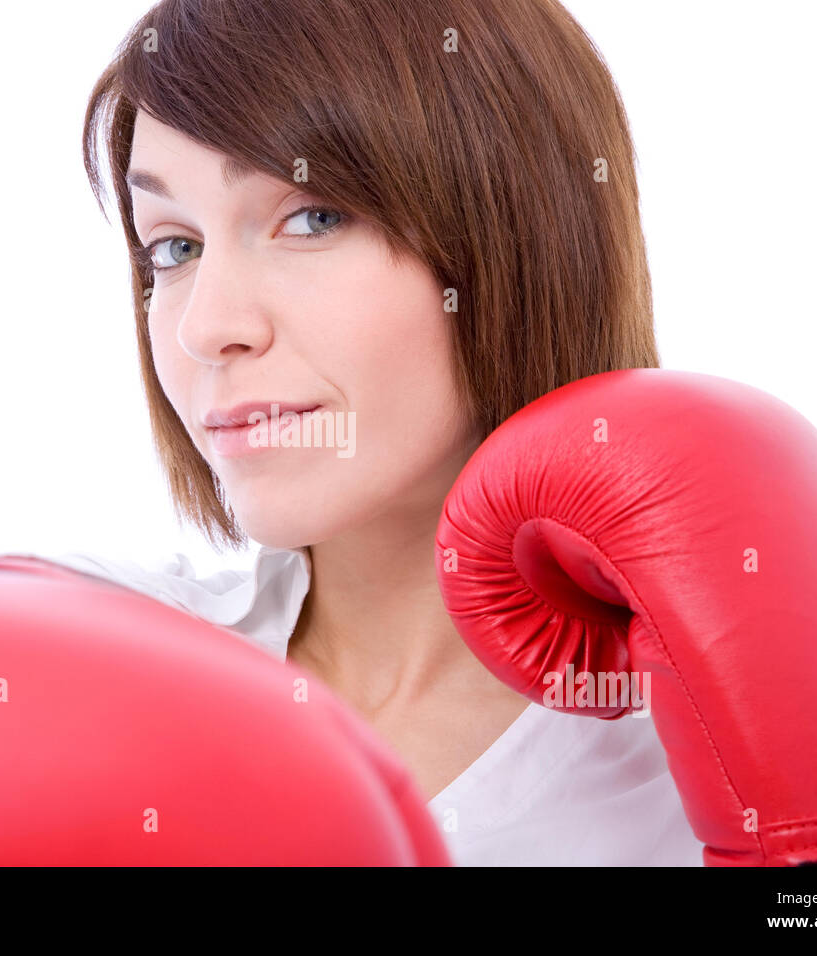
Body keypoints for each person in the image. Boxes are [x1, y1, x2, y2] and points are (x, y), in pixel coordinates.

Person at [70, 0, 705, 865]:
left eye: (313, 218)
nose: (205, 326)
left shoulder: (704, 764)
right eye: (173, 248)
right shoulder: (95, 660)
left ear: (521, 236)